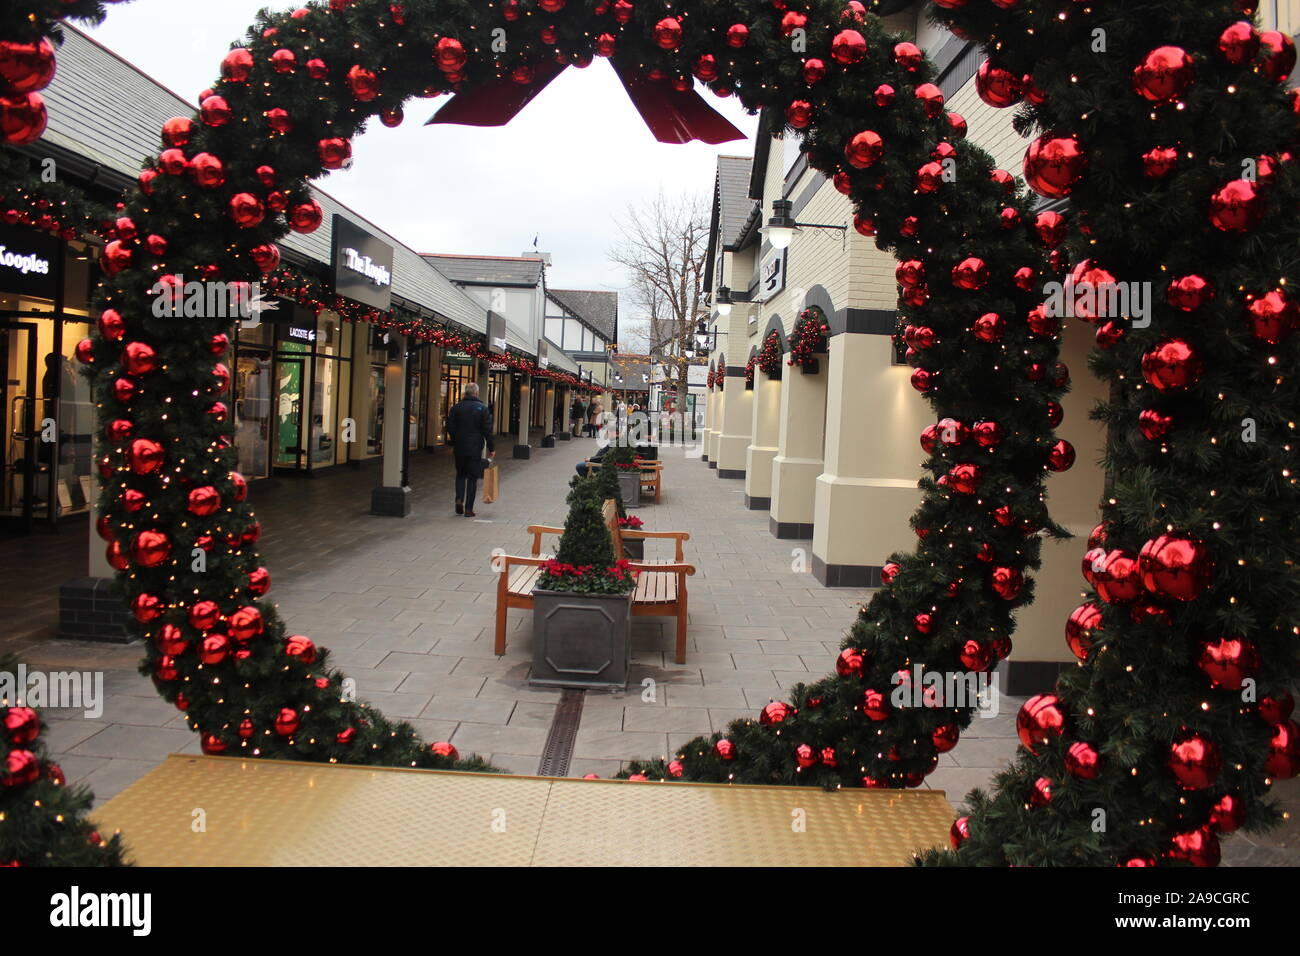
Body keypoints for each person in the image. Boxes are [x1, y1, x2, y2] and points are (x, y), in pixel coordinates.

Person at [445, 381, 495, 517]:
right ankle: (468, 509)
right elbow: (487, 430)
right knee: (472, 478)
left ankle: (459, 499)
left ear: (465, 393)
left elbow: (450, 426)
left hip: (460, 447)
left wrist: (456, 440)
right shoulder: (482, 408)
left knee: (460, 474)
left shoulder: (456, 408)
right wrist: (491, 447)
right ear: (477, 393)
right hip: (474, 448)